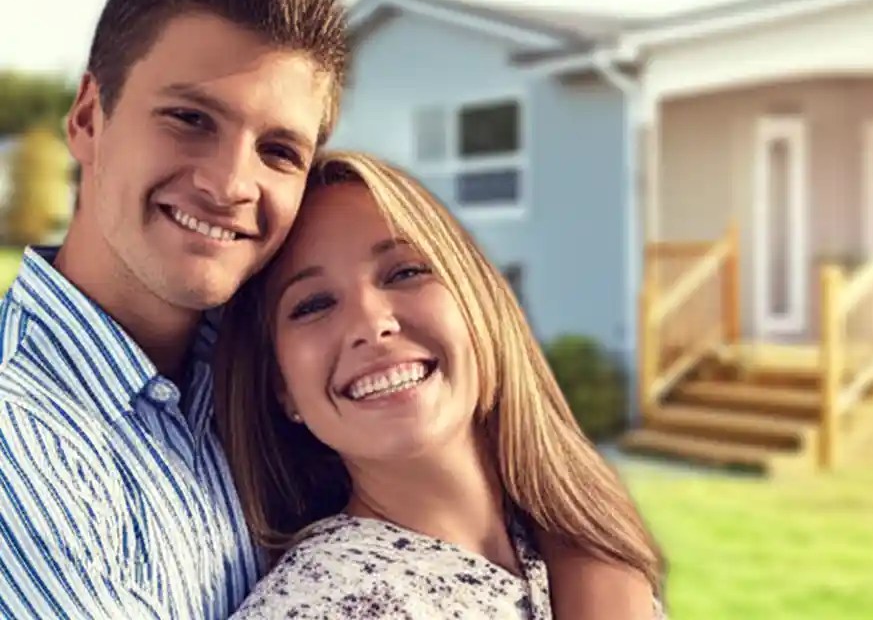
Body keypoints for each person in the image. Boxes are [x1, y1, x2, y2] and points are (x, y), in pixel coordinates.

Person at [0, 0, 347, 619]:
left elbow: (523, 487)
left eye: (279, 151)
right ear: (90, 118)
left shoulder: (284, 371)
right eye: (190, 118)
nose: (229, 185)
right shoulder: (18, 435)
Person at [213, 151, 667, 619]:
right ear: (281, 387)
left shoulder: (567, 535)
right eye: (312, 305)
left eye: (405, 272)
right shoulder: (316, 604)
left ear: (477, 300)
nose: (371, 323)